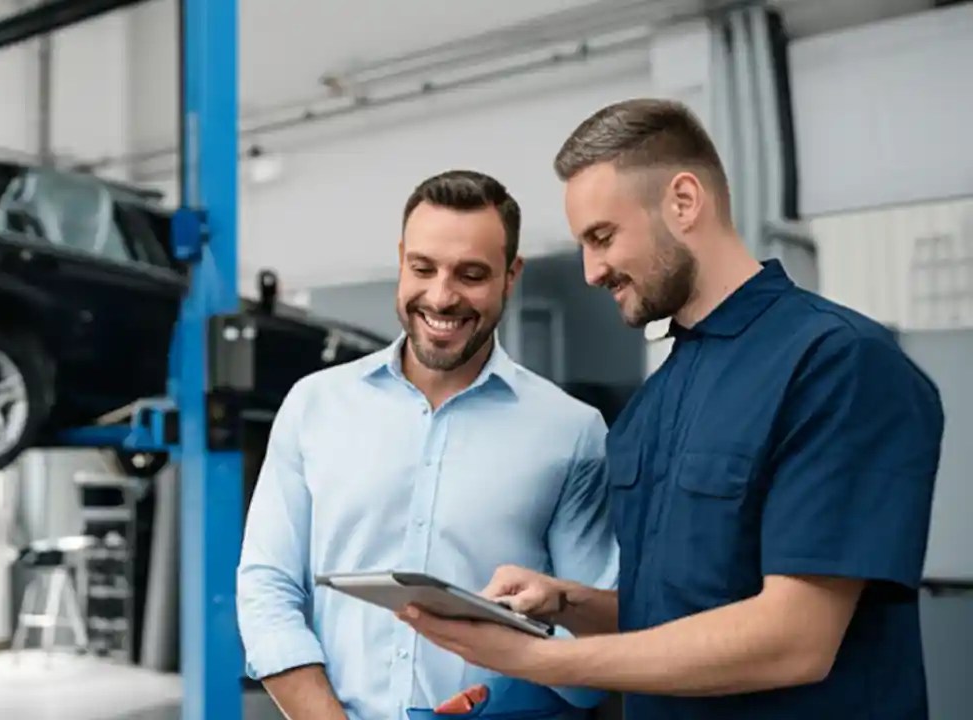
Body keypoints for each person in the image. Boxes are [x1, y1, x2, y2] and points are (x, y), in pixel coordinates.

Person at [400, 97, 946, 719]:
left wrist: (537, 659)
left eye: (602, 237)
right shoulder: (652, 404)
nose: (591, 271)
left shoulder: (836, 364)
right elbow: (672, 620)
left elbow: (796, 640)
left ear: (684, 202)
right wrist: (567, 603)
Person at [236, 170, 620, 720]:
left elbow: (592, 655)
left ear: (511, 276)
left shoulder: (572, 432)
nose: (441, 296)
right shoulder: (314, 406)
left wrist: (510, 688)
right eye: (423, 268)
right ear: (401, 259)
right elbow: (268, 588)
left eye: (471, 274)